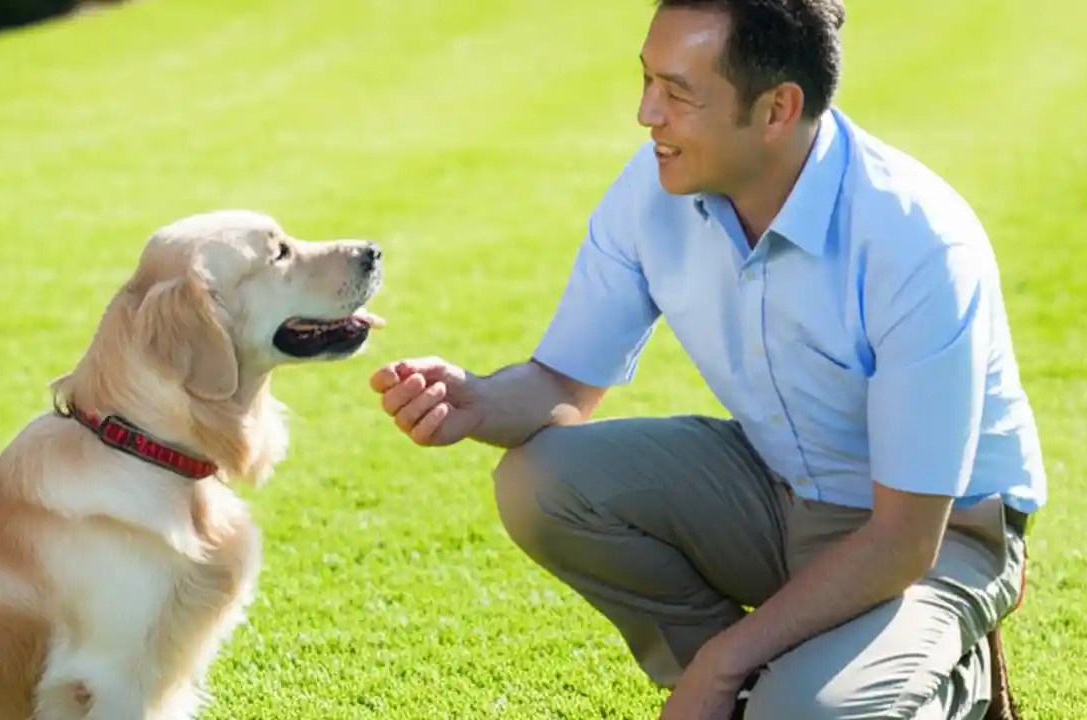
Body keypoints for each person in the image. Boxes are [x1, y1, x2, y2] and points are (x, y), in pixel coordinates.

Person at [369, 1, 1046, 718]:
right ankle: (763, 690)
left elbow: (905, 538)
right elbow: (565, 382)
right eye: (646, 81)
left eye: (678, 92)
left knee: (811, 714)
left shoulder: (916, 242)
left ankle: (956, 677)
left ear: (778, 109)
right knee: (542, 481)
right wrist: (475, 400)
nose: (645, 114)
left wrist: (720, 661)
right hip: (782, 486)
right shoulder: (652, 190)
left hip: (940, 535)